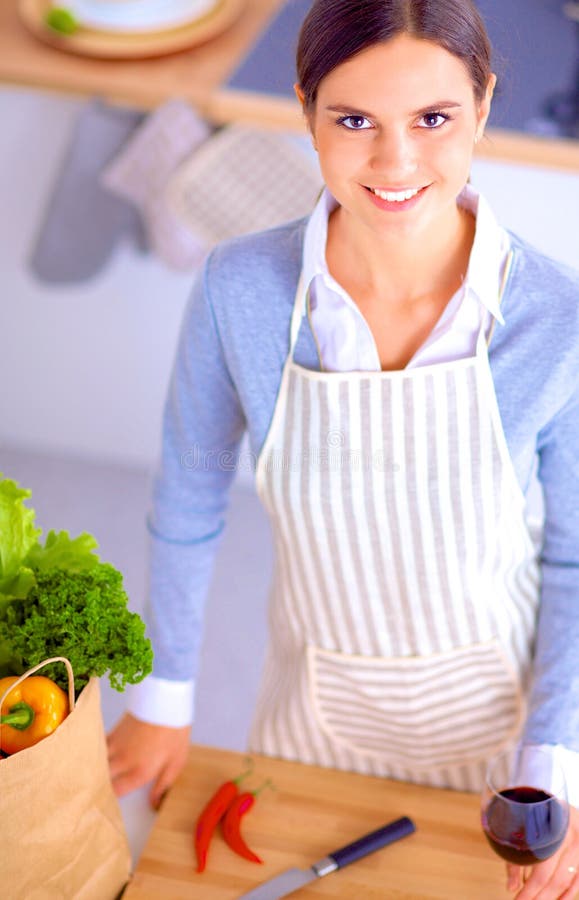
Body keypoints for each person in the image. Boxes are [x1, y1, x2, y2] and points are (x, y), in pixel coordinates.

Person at [107, 0, 579, 895]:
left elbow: (574, 558)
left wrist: (550, 762)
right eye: (353, 119)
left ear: (482, 106)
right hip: (310, 705)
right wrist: (163, 697)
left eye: (432, 119)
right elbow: (188, 499)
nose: (394, 162)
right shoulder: (239, 288)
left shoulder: (557, 316)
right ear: (305, 111)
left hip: (502, 727)